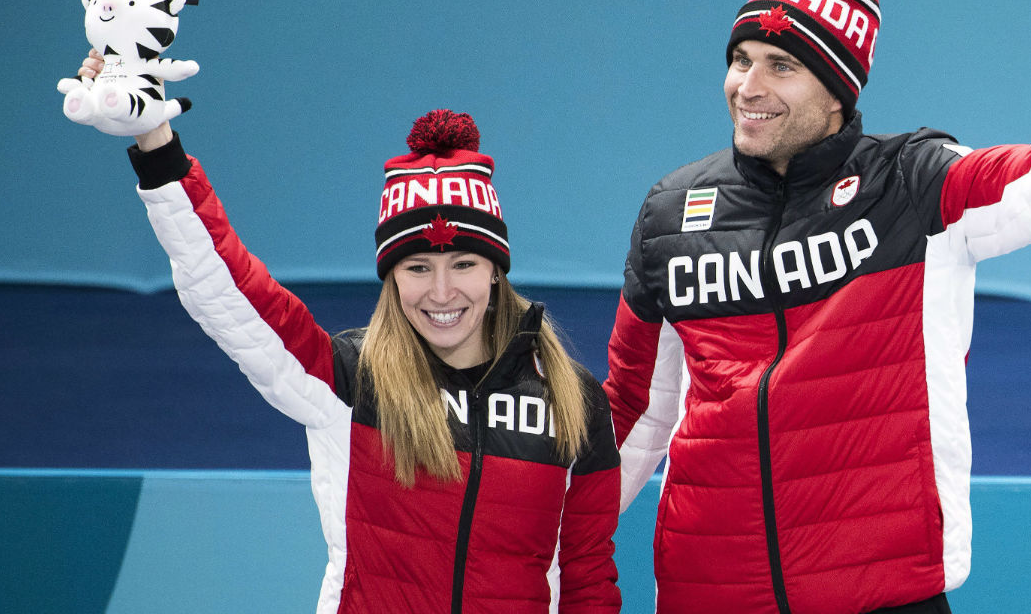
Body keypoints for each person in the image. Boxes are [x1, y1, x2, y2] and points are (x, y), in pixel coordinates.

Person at [602, 0, 1031, 613]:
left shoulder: (911, 182)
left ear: (838, 88)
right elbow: (633, 414)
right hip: (708, 591)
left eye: (781, 66)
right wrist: (542, 554)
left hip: (880, 592)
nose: (747, 87)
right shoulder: (672, 213)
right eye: (741, 60)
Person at [72, 35, 622, 611]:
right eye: (417, 267)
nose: (441, 292)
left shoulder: (572, 400)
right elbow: (227, 289)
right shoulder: (349, 379)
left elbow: (587, 577)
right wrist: (155, 143)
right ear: (390, 277)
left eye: (464, 263)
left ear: (495, 273)